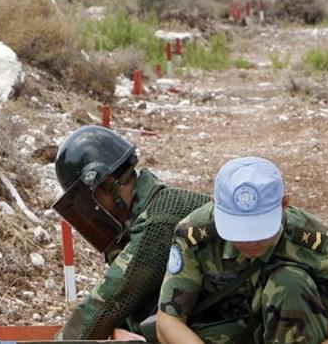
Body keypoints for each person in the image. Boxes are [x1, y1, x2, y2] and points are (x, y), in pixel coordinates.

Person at [157, 157, 328, 344]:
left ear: (284, 204)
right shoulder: (195, 235)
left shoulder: (320, 246)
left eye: (259, 230)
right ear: (216, 207)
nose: (250, 241)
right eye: (238, 230)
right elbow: (168, 322)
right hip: (223, 335)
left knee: (290, 283)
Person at [51, 125, 210, 340]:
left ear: (108, 185)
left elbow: (111, 300)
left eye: (87, 201)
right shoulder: (153, 211)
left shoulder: (159, 220)